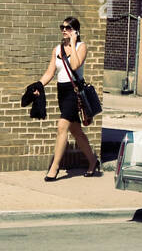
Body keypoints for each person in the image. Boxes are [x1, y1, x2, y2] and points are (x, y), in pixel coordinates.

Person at [35, 18, 101, 180]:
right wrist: (38, 85)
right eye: (62, 27)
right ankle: (93, 161)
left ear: (76, 30)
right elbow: (50, 72)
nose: (64, 30)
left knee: (62, 126)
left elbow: (74, 66)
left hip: (74, 92)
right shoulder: (57, 49)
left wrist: (73, 43)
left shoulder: (81, 46)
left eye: (68, 27)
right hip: (62, 92)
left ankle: (54, 167)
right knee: (76, 131)